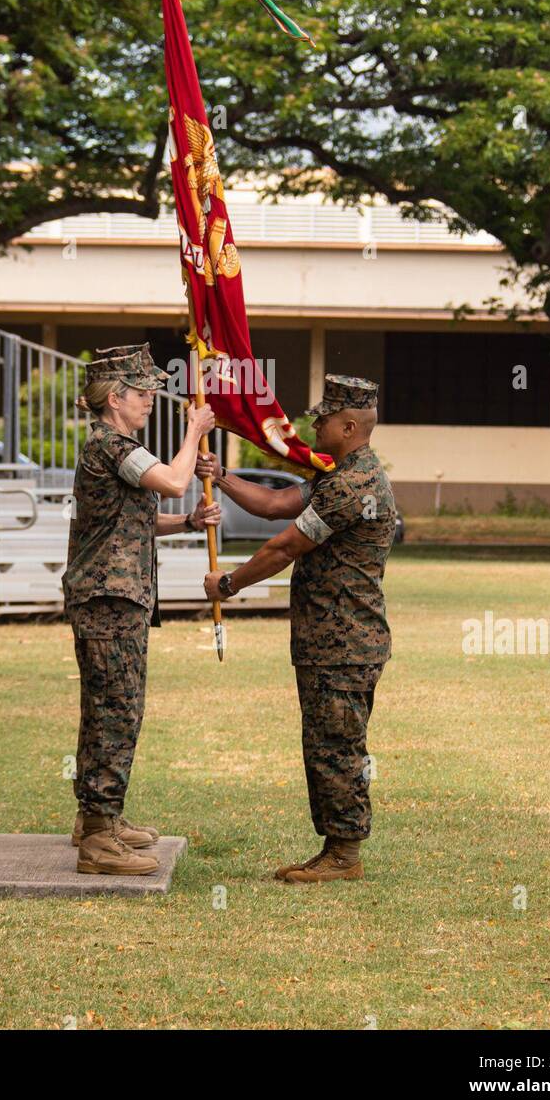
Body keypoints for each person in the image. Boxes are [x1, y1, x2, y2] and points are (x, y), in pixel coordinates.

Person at [201, 375, 397, 884]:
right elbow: (274, 505)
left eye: (325, 417)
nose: (314, 423)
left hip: (344, 641)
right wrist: (221, 476)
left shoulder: (355, 487)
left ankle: (345, 853)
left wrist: (229, 582)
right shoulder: (339, 476)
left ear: (350, 426)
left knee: (337, 745)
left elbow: (285, 546)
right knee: (325, 742)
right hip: (328, 640)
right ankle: (336, 847)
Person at [63, 344, 219, 876]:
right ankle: (99, 839)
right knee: (117, 711)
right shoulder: (110, 445)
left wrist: (189, 525)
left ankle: (97, 819)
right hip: (109, 600)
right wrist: (194, 430)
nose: (151, 397)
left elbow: (133, 521)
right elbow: (174, 482)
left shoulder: (116, 447)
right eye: (142, 390)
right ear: (114, 398)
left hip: (116, 597)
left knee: (105, 709)